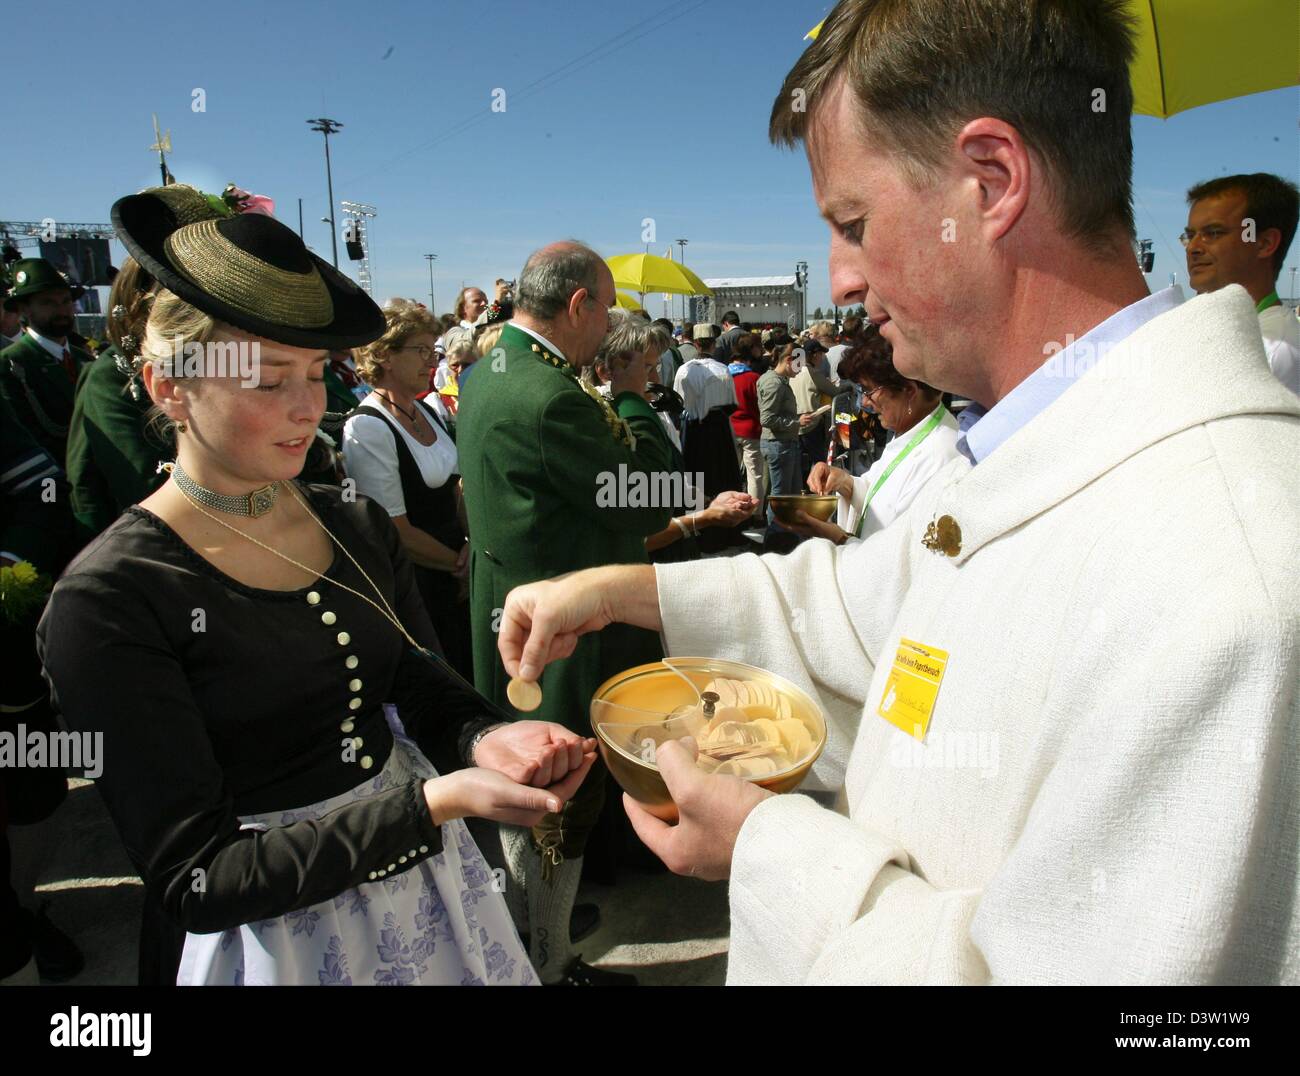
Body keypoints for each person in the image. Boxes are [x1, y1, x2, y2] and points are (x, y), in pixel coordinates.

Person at [491, 0, 1300, 985]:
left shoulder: (1228, 582)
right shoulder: (1026, 447)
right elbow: (869, 611)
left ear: (991, 181)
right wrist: (623, 591)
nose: (836, 278)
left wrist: (770, 851)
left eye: (852, 223)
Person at [36, 188, 597, 986]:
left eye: (315, 374)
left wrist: (482, 737)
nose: (309, 410)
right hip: (271, 944)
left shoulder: (355, 525)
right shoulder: (112, 599)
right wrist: (432, 806)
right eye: (268, 381)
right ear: (171, 390)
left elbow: (414, 679)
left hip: (425, 895)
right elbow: (198, 875)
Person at [456, 241, 674, 986]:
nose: (610, 323)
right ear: (578, 304)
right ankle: (545, 965)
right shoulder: (549, 394)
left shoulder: (492, 371)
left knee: (537, 788)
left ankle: (535, 947)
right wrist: (638, 397)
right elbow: (654, 491)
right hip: (562, 631)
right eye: (607, 306)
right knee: (559, 795)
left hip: (513, 606)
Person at [342, 298, 473, 681]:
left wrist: (470, 544)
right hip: (420, 586)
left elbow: (455, 488)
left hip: (456, 572)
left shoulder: (427, 411)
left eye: (432, 350)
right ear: (384, 355)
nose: (431, 361)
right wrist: (462, 567)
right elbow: (393, 530)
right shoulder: (367, 427)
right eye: (420, 350)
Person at [789, 327, 961, 543]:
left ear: (909, 390)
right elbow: (880, 493)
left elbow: (907, 552)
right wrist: (844, 482)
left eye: (869, 391)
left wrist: (840, 539)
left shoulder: (942, 455)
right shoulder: (911, 433)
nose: (864, 403)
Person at [1183, 172, 1299, 395]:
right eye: (1190, 235)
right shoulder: (1239, 337)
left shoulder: (1270, 351)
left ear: (1264, 243)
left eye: (1213, 233)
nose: (1192, 247)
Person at [0, 258, 93, 463]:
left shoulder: (86, 360)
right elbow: (23, 438)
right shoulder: (10, 364)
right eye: (48, 303)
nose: (61, 310)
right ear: (24, 309)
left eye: (66, 301)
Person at [758, 342, 817, 546]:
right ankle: (775, 539)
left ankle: (785, 537)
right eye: (799, 364)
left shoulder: (775, 380)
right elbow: (766, 418)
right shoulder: (774, 383)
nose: (801, 370)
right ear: (789, 360)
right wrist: (796, 422)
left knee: (788, 495)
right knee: (781, 496)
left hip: (783, 443)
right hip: (778, 444)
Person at [727, 333, 767, 516]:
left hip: (730, 429)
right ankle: (755, 514)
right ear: (751, 351)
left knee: (733, 474)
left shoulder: (724, 375)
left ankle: (733, 511)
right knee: (755, 476)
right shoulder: (754, 378)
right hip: (751, 430)